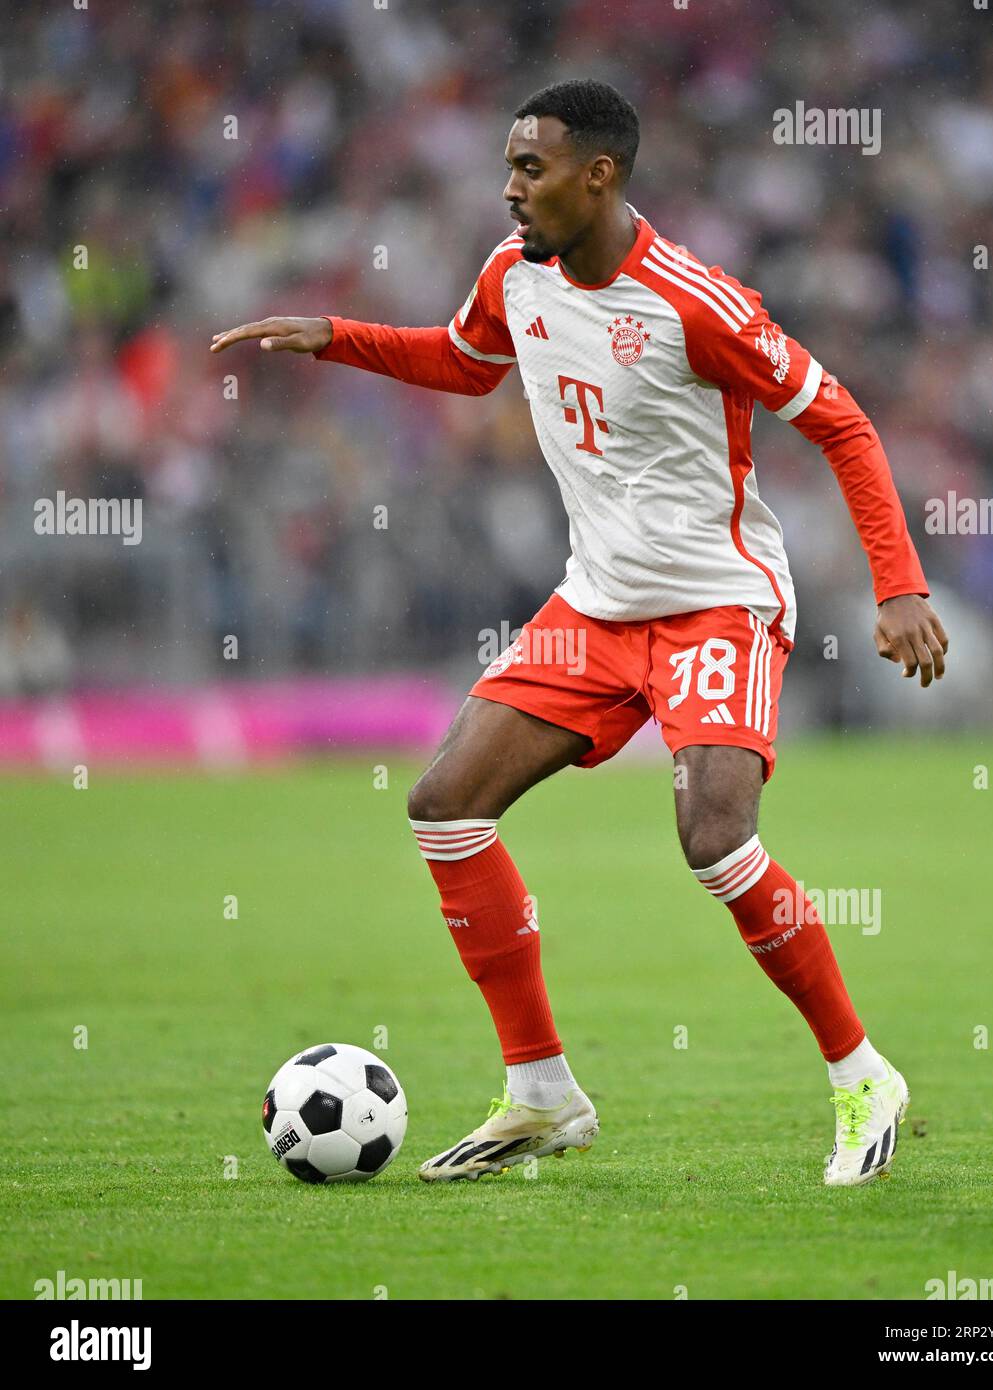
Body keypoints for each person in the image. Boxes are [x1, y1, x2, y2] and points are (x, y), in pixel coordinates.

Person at [211, 78, 948, 1188]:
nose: (508, 188)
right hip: (595, 608)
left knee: (713, 836)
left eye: (529, 168)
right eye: (509, 166)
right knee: (445, 806)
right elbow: (466, 360)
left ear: (597, 175)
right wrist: (336, 337)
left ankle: (860, 1075)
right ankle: (542, 1092)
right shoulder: (514, 276)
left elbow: (839, 421)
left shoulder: (696, 302)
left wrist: (898, 586)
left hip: (717, 599)